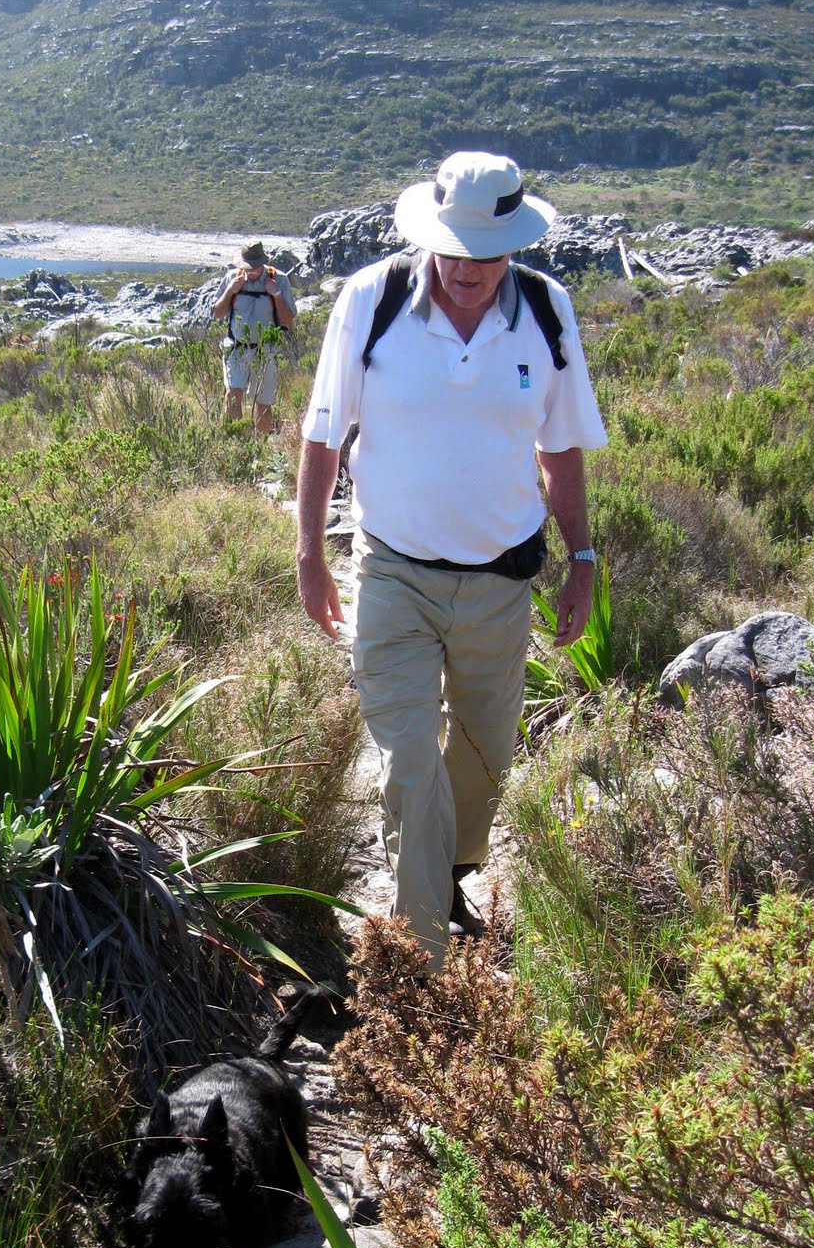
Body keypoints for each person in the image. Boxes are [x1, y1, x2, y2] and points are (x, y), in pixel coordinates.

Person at [295, 151, 608, 970]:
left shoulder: (546, 310)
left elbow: (563, 445)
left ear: (515, 244)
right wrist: (309, 554)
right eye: (454, 249)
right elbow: (324, 432)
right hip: (392, 572)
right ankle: (418, 962)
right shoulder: (373, 300)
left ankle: (450, 869)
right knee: (408, 761)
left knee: (481, 759)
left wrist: (581, 557)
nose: (468, 270)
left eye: (486, 252)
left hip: (502, 580)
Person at [212, 240, 296, 433]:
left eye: (254, 268)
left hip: (265, 350)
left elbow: (288, 321)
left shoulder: (279, 280)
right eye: (246, 267)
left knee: (263, 402)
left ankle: (261, 451)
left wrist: (276, 295)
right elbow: (217, 313)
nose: (250, 271)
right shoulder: (231, 278)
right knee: (233, 395)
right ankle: (236, 446)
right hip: (236, 347)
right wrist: (230, 291)